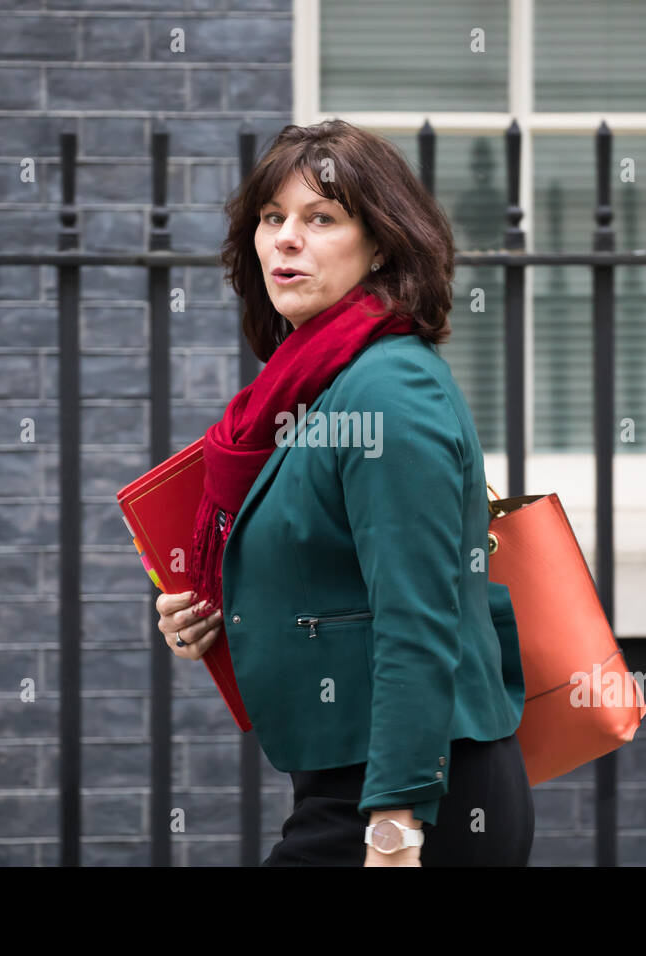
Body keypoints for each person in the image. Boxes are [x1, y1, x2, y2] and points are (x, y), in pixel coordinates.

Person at [155, 119, 533, 867]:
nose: (285, 240)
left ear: (382, 244)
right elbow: (326, 572)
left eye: (320, 218)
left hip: (413, 803)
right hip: (349, 787)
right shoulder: (313, 388)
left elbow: (417, 617)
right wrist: (210, 608)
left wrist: (394, 833)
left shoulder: (388, 391)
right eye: (272, 218)